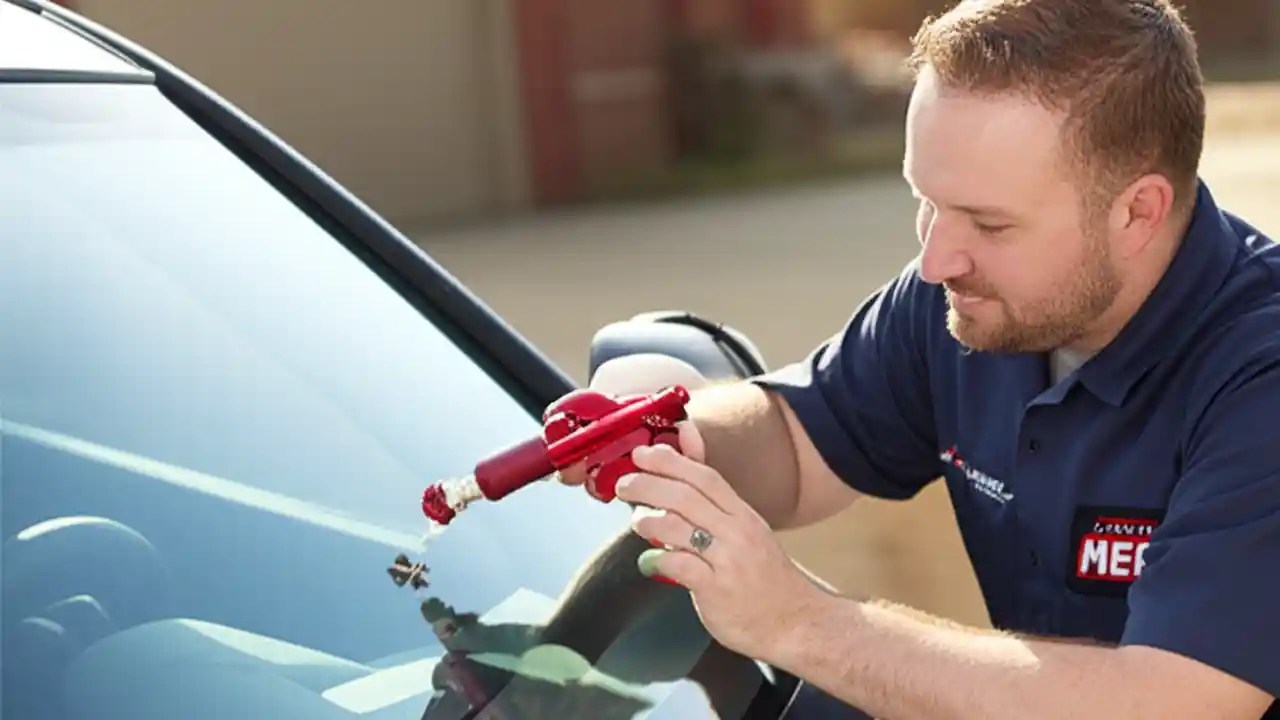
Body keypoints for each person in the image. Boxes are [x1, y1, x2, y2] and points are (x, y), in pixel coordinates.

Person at [558, 0, 1280, 717]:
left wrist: (797, 622)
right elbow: (800, 444)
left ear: (1139, 212)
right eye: (925, 201)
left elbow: (1176, 702)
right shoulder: (968, 300)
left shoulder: (1260, 375)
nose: (934, 259)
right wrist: (678, 434)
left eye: (991, 223)